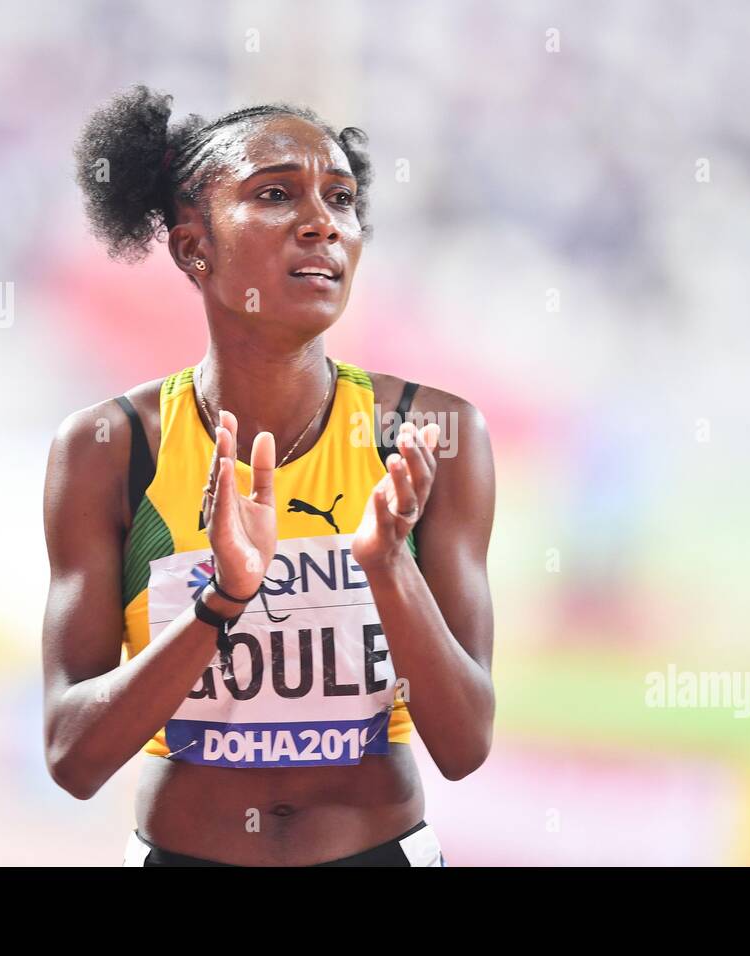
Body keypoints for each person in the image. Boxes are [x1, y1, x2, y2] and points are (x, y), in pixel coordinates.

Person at [41, 88, 496, 866]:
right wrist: (223, 600)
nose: (323, 221)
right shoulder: (110, 448)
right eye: (276, 194)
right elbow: (72, 757)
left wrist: (387, 566)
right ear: (194, 248)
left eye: (342, 198)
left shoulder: (431, 434)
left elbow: (464, 744)